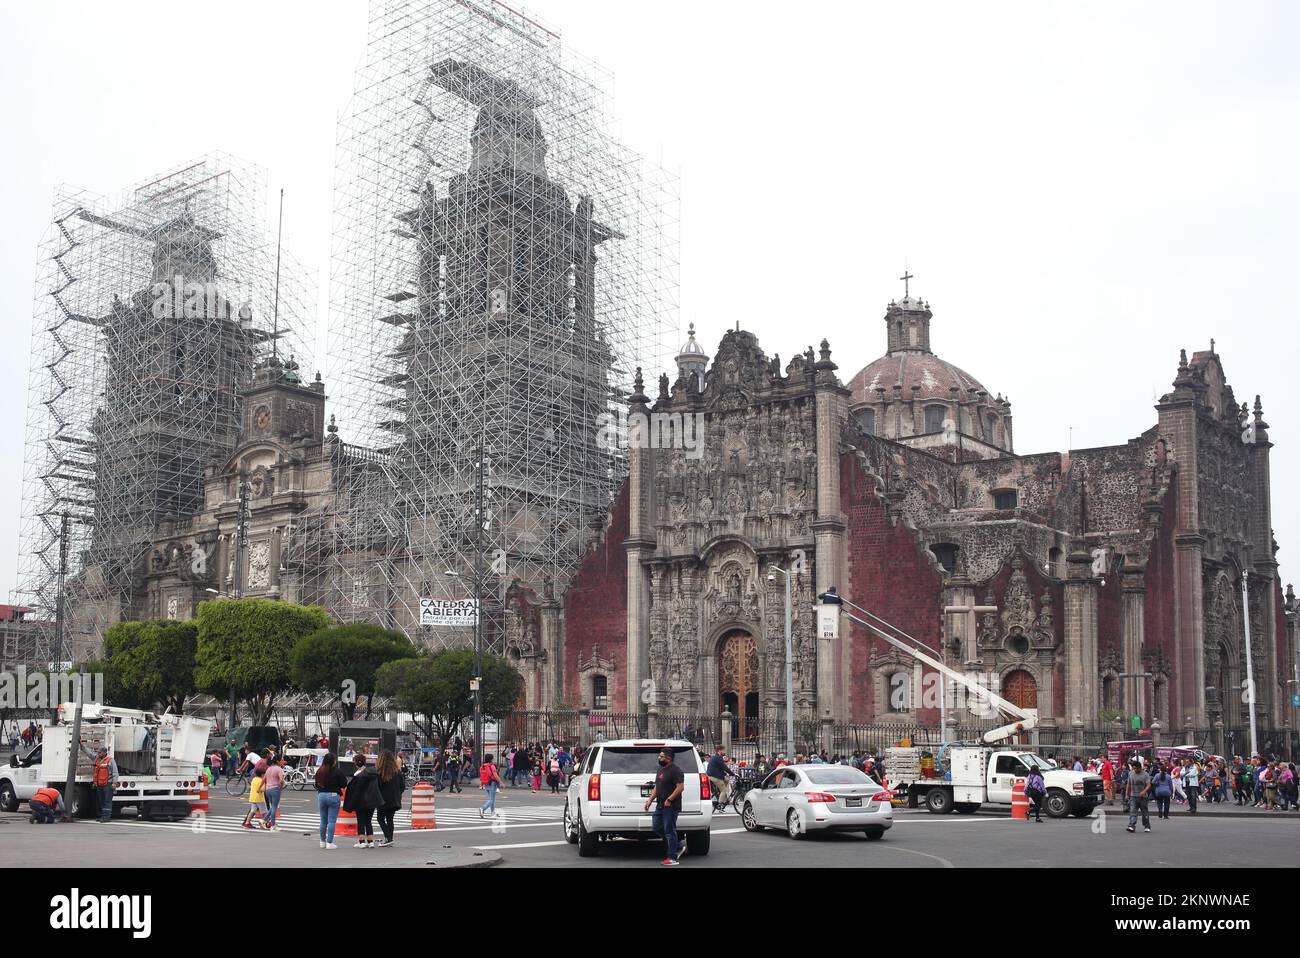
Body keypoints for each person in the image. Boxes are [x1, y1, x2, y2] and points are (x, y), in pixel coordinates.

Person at [644, 747, 685, 865]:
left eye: (661, 756)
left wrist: (670, 799)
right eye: (659, 756)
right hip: (660, 805)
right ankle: (677, 846)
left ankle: (672, 857)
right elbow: (657, 786)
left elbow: (680, 787)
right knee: (656, 827)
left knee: (669, 830)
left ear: (669, 758)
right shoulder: (660, 769)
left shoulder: (676, 770)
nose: (659, 758)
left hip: (670, 805)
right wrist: (650, 800)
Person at [345, 754, 382, 848]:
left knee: (361, 821)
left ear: (357, 762)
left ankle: (361, 842)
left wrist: (352, 801)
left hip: (361, 801)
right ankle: (370, 841)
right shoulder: (372, 772)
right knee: (368, 821)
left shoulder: (358, 775)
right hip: (372, 800)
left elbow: (356, 790)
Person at [314, 752, 347, 849]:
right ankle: (329, 842)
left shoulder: (320, 770)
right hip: (333, 795)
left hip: (321, 795)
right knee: (331, 821)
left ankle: (322, 841)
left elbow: (316, 784)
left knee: (323, 820)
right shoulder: (337, 771)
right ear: (333, 761)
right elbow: (344, 784)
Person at [375, 750, 406, 847]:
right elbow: (402, 785)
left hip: (383, 799)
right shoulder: (396, 771)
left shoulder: (380, 772)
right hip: (394, 799)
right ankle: (390, 838)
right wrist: (398, 794)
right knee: (390, 819)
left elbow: (377, 786)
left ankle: (388, 837)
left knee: (380, 819)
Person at [92, 746, 118, 823]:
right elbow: (89, 753)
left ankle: (107, 817)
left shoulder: (110, 760)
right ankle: (103, 816)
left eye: (99, 752)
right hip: (100, 784)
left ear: (104, 752)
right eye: (98, 752)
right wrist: (82, 746)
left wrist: (114, 783)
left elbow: (115, 772)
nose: (98, 753)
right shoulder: (97, 759)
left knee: (107, 801)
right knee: (102, 801)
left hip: (108, 784)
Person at [1126, 760, 1152, 834]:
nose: (1135, 770)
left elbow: (1149, 785)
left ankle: (1147, 826)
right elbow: (1128, 784)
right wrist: (1127, 794)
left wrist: (1144, 791)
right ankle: (1132, 825)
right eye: (1134, 768)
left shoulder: (1145, 774)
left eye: (1136, 769)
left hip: (1143, 797)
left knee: (1144, 812)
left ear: (1140, 768)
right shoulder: (1131, 773)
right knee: (1133, 811)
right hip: (1133, 796)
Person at [479, 752, 505, 818]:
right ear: (491, 759)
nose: (493, 760)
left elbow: (481, 776)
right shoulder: (491, 766)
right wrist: (501, 782)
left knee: (491, 799)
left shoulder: (483, 766)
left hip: (486, 783)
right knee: (492, 800)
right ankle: (483, 808)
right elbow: (495, 775)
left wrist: (481, 784)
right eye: (493, 758)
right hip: (492, 783)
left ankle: (493, 812)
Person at [264, 754, 284, 830]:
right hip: (275, 788)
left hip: (268, 789)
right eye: (282, 760)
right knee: (275, 807)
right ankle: (273, 825)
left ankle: (264, 820)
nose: (283, 761)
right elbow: (281, 780)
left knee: (273, 807)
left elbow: (265, 778)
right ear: (278, 761)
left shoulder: (269, 768)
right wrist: (281, 786)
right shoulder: (279, 769)